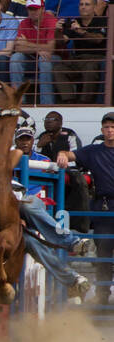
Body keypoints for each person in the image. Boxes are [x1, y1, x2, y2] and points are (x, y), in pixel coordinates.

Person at [0, 147, 92, 303]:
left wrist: (12, 216)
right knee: (30, 242)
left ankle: (71, 242)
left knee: (27, 206)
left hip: (20, 202)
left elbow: (12, 191)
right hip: (5, 227)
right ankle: (72, 279)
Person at [58, 112, 114, 304]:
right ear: (102, 130)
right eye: (107, 127)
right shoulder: (93, 151)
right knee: (103, 252)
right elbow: (69, 154)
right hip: (104, 206)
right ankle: (103, 297)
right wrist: (61, 155)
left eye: (113, 127)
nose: (110, 130)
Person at [9, 0, 58, 104]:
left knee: (44, 59)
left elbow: (50, 48)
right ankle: (19, 102)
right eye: (30, 9)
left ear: (42, 9)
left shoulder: (51, 21)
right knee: (15, 58)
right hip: (32, 58)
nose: (33, 12)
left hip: (54, 58)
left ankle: (47, 104)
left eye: (36, 9)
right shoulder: (24, 23)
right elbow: (17, 47)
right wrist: (38, 49)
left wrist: (27, 44)